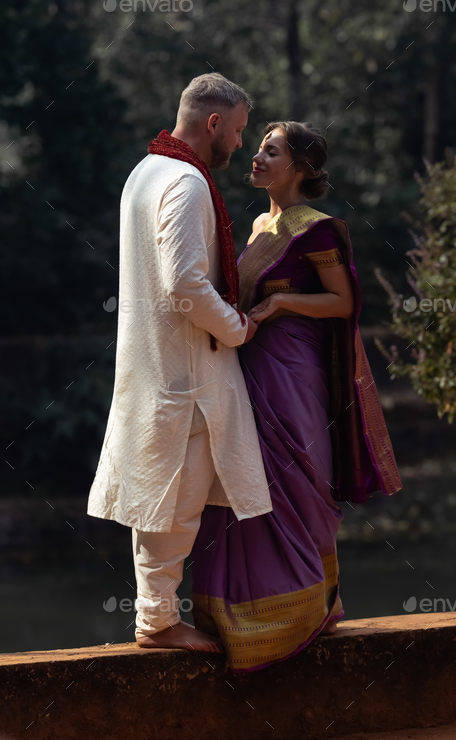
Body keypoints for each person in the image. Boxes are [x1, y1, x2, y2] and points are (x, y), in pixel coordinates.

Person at [190, 120, 402, 672]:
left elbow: (343, 303)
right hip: (250, 366)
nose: (256, 157)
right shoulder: (261, 225)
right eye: (258, 148)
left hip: (294, 372)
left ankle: (307, 606)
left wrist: (283, 305)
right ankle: (242, 616)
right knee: (244, 479)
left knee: (297, 478)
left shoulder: (320, 229)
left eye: (271, 151)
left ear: (302, 168)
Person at [87, 73, 272, 653]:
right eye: (239, 131)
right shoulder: (188, 183)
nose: (241, 145)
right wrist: (239, 326)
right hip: (185, 371)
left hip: (155, 363)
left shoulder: (145, 172)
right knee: (176, 502)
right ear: (213, 123)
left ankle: (155, 618)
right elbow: (187, 286)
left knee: (160, 497)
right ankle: (158, 623)